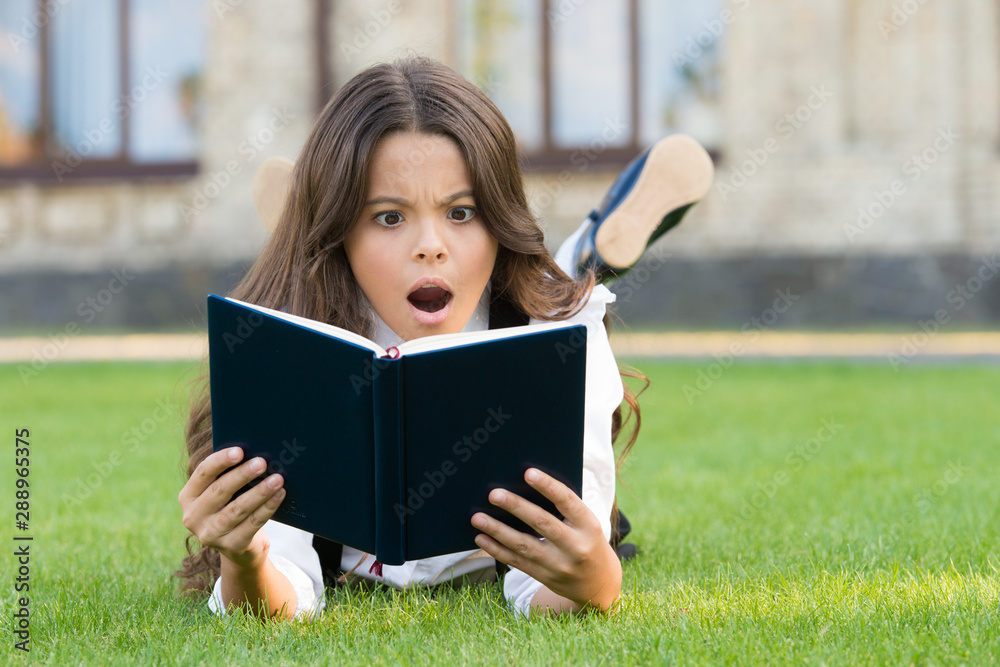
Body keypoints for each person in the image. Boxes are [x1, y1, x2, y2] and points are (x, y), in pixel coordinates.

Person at [176, 57, 707, 620]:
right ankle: (324, 222)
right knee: (315, 295)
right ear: (341, 234)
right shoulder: (281, 342)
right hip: (350, 535)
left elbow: (558, 588)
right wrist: (244, 559)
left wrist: (597, 579)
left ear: (496, 217)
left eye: (462, 211)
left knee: (556, 286)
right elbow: (276, 600)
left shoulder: (559, 333)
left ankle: (589, 246)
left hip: (523, 314)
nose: (431, 245)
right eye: (388, 218)